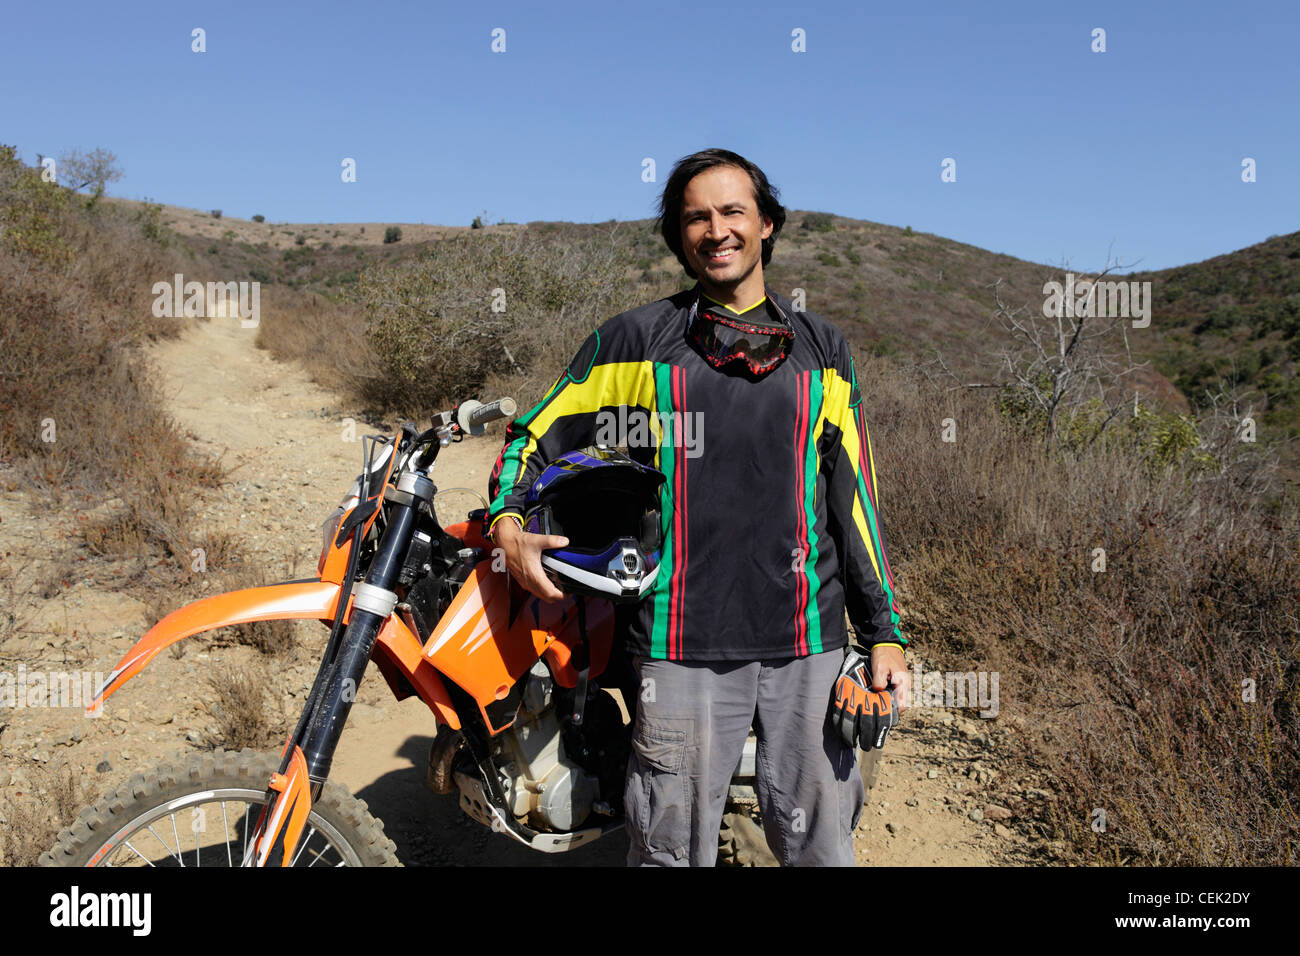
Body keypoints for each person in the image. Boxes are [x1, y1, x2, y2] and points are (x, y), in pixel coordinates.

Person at [486, 148, 910, 866]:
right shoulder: (634, 341)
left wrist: (886, 631)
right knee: (669, 850)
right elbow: (534, 435)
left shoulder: (821, 350)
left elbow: (854, 500)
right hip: (677, 649)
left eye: (732, 211)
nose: (716, 230)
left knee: (821, 846)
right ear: (680, 238)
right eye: (695, 218)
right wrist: (509, 521)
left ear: (767, 224)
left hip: (808, 641)